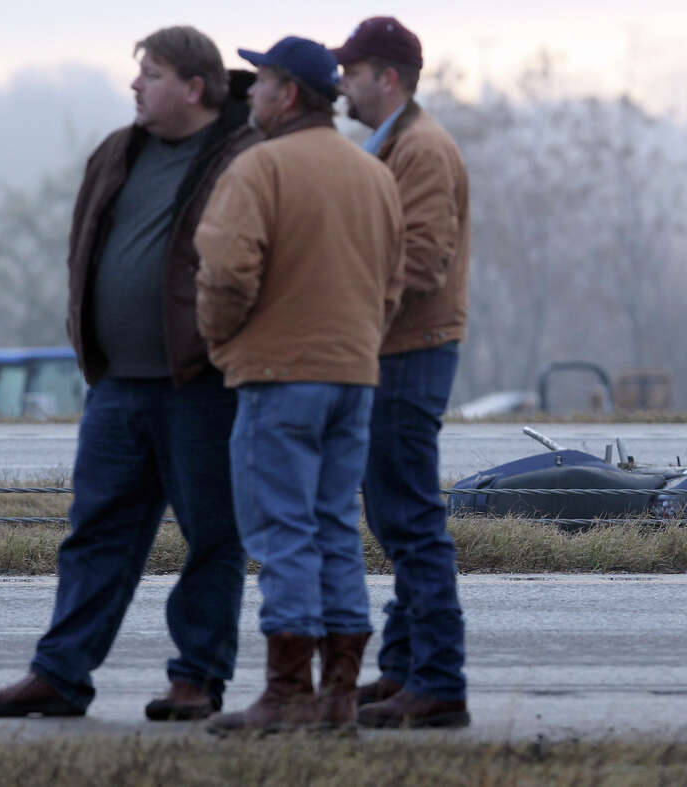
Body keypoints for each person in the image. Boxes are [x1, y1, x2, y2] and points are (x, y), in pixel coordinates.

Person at [0, 26, 257, 722]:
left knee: (212, 534)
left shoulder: (245, 156)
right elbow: (87, 246)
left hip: (201, 386)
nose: (135, 86)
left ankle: (197, 679)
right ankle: (59, 673)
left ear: (194, 86)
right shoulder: (118, 151)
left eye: (150, 74)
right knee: (94, 533)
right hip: (117, 384)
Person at [194, 35, 404, 735]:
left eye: (259, 82)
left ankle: (286, 693)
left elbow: (225, 273)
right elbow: (392, 286)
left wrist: (224, 343)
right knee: (336, 528)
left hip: (279, 376)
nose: (248, 93)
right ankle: (339, 696)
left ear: (286, 94)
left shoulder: (261, 168)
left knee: (281, 530)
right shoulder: (372, 172)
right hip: (353, 375)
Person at [334, 16, 472, 729]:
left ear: (387, 77)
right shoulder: (390, 144)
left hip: (407, 350)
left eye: (351, 73)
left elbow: (420, 262)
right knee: (395, 515)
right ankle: (401, 668)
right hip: (395, 347)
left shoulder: (419, 150)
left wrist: (342, 308)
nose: (342, 85)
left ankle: (440, 682)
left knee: (410, 520)